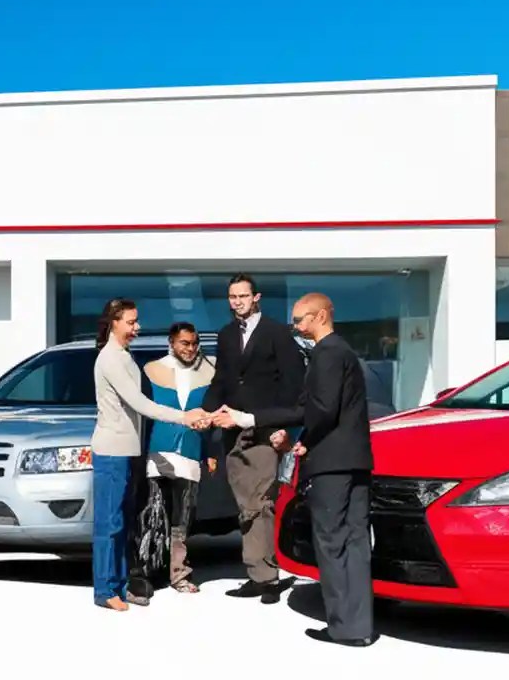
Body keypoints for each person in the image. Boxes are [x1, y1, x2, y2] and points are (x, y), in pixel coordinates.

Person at [212, 293, 376, 646]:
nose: (296, 328)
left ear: (318, 317)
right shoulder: (345, 352)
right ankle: (360, 626)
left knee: (332, 543)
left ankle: (344, 628)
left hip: (332, 467)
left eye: (299, 321)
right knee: (356, 544)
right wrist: (306, 439)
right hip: (355, 462)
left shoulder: (327, 353)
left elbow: (318, 409)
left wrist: (250, 418)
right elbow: (330, 412)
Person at [91, 298, 205, 611]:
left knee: (122, 523)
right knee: (109, 525)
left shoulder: (124, 357)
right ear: (114, 322)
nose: (136, 327)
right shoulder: (110, 359)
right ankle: (104, 591)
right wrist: (184, 416)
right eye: (130, 322)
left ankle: (118, 584)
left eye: (136, 321)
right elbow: (140, 404)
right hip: (111, 451)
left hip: (128, 451)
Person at [199, 273, 305, 604]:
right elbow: (221, 380)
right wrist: (205, 412)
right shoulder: (226, 335)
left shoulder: (277, 333)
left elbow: (293, 382)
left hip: (264, 429)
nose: (237, 302)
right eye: (232, 297)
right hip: (232, 429)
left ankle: (269, 577)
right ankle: (256, 572)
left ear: (256, 298)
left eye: (243, 296)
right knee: (246, 505)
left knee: (263, 502)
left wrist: (285, 426)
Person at [136, 322, 219, 593]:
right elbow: (142, 414)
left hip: (191, 451)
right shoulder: (151, 370)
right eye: (185, 343)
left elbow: (211, 417)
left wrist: (210, 452)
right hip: (156, 451)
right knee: (152, 513)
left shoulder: (209, 371)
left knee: (183, 517)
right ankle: (148, 571)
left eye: (194, 344)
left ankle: (179, 573)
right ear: (172, 342)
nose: (190, 349)